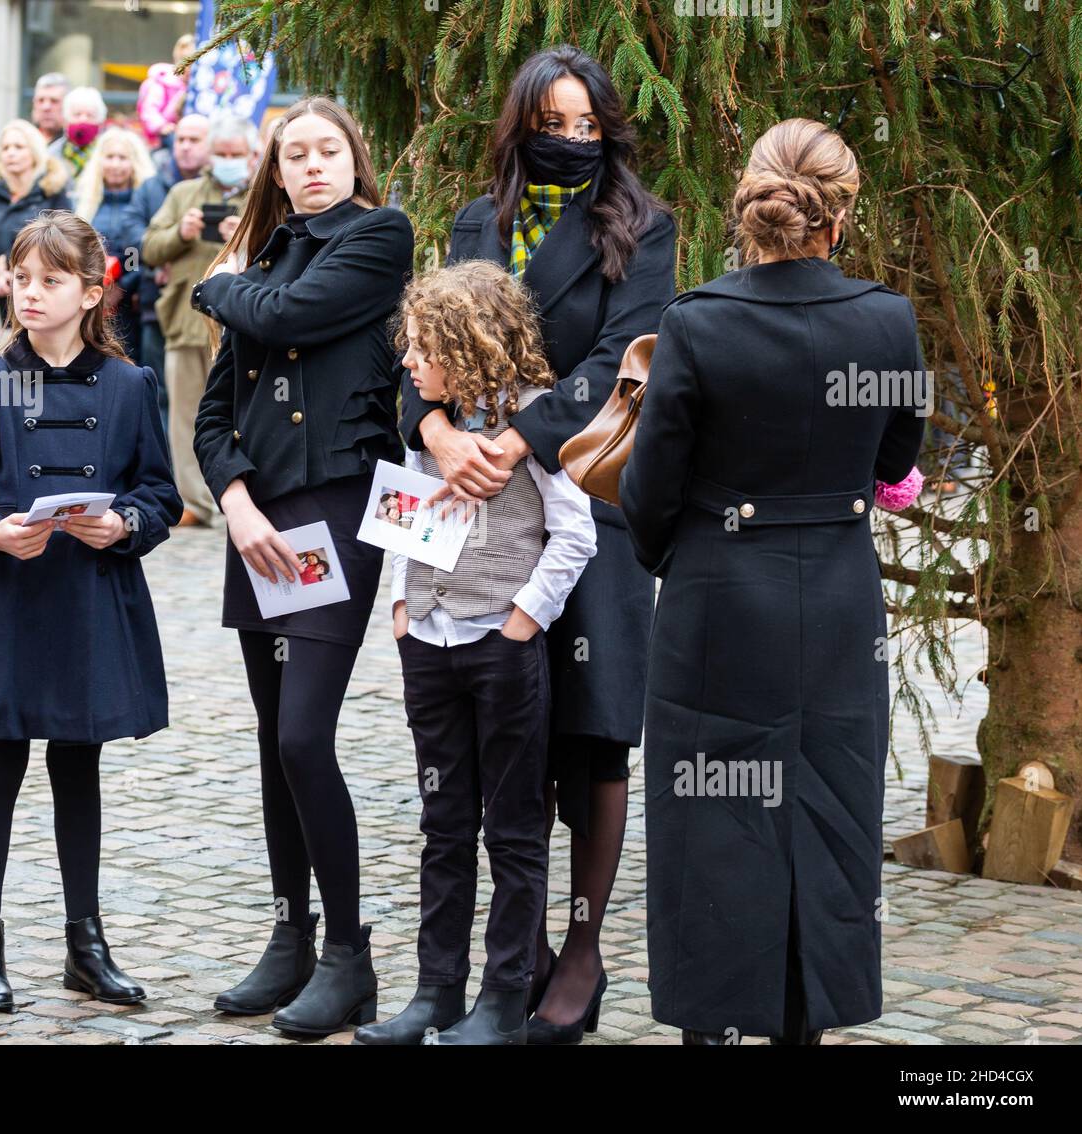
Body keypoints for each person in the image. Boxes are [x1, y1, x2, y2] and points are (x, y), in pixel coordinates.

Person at [619, 117, 928, 1045]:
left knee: (712, 817)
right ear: (840, 213)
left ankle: (710, 1028)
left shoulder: (698, 321)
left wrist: (690, 556)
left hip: (718, 598)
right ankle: (808, 1028)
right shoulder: (888, 318)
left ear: (753, 203)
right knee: (830, 811)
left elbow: (649, 494)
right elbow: (897, 456)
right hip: (837, 599)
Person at [397, 45, 677, 1043]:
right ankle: (489, 970)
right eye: (552, 125)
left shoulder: (643, 228)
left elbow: (627, 355)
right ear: (520, 127)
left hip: (586, 500)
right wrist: (434, 434)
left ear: (608, 129)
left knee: (592, 732)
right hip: (477, 512)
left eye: (588, 126)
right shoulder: (481, 222)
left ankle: (583, 946)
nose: (570, 141)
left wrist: (519, 435)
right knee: (507, 745)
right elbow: (422, 344)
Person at [191, 95, 413, 1038]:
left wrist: (217, 284)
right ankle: (289, 936)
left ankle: (348, 955)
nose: (313, 165)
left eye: (328, 150)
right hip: (261, 522)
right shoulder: (267, 256)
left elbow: (296, 312)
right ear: (275, 172)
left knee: (302, 737)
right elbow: (212, 417)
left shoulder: (378, 236)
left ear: (354, 159)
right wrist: (235, 505)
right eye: (295, 156)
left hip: (334, 507)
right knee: (270, 738)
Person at [0, 211, 182, 1013]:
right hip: (10, 601)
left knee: (80, 764)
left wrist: (125, 526)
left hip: (91, 601)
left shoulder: (130, 385)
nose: (29, 293)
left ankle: (87, 944)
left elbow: (160, 495)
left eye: (50, 281)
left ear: (90, 290)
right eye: (22, 277)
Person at [353, 260, 597, 1046]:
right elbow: (406, 521)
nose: (411, 365)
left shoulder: (533, 422)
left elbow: (576, 533)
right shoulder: (437, 427)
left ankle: (505, 995)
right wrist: (400, 610)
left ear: (467, 344)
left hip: (501, 648)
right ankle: (435, 990)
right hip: (428, 644)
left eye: (423, 349)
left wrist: (523, 621)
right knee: (443, 823)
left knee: (515, 829)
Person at [142, 111, 253, 527]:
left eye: (235, 153)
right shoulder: (183, 193)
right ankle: (194, 502)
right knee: (185, 416)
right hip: (186, 325)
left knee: (243, 415)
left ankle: (238, 500)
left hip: (243, 326)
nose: (227, 159)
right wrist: (182, 233)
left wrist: (244, 237)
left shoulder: (263, 196)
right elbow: (149, 248)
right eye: (221, 152)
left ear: (251, 155)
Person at [123, 112, 219, 436]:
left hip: (204, 310)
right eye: (181, 140)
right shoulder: (151, 187)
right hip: (153, 304)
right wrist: (144, 273)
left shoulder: (227, 190)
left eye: (195, 140)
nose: (186, 147)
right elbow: (131, 246)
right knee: (160, 392)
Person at [0, 119, 72, 325]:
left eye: (19, 147)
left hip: (37, 305)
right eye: (5, 148)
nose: (10, 153)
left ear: (34, 152)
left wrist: (10, 267)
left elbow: (63, 243)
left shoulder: (52, 194)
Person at [75, 126, 155, 362]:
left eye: (122, 158)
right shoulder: (87, 205)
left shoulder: (142, 204)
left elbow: (134, 252)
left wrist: (121, 286)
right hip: (89, 299)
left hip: (128, 303)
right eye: (110, 157)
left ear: (134, 163)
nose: (116, 164)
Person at [137, 35, 193, 153]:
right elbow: (149, 110)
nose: (189, 66)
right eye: (185, 59)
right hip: (164, 137)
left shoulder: (198, 85)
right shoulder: (162, 82)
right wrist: (162, 126)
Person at [49, 87, 109, 181]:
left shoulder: (108, 154)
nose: (83, 119)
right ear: (65, 120)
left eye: (90, 115)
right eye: (77, 114)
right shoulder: (52, 153)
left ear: (100, 122)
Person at [31, 73, 70, 147]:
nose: (46, 107)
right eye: (41, 100)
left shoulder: (74, 145)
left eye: (54, 101)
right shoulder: (23, 140)